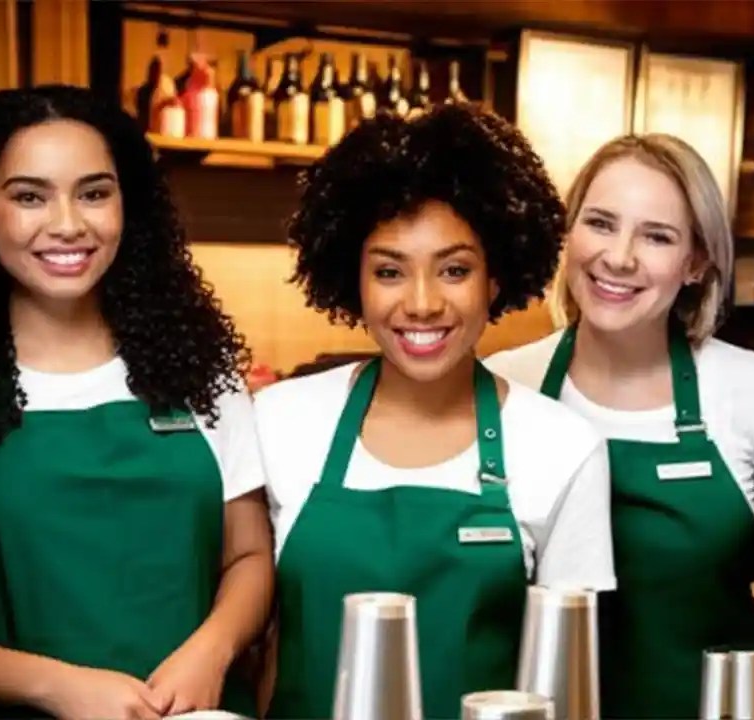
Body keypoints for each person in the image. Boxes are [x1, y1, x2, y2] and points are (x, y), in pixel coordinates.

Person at [0, 85, 273, 719]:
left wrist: (212, 651)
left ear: (126, 205)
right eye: (30, 196)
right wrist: (57, 686)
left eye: (94, 192)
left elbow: (248, 554)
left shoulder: (200, 371)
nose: (68, 223)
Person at [255, 104, 616, 719]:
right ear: (354, 279)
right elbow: (260, 645)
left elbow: (565, 674)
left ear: (495, 277)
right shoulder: (279, 420)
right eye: (390, 271)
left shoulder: (562, 445)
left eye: (454, 270)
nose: (421, 304)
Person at [487, 133, 754, 718]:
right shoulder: (503, 387)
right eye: (600, 223)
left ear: (696, 262)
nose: (620, 256)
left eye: (657, 236)